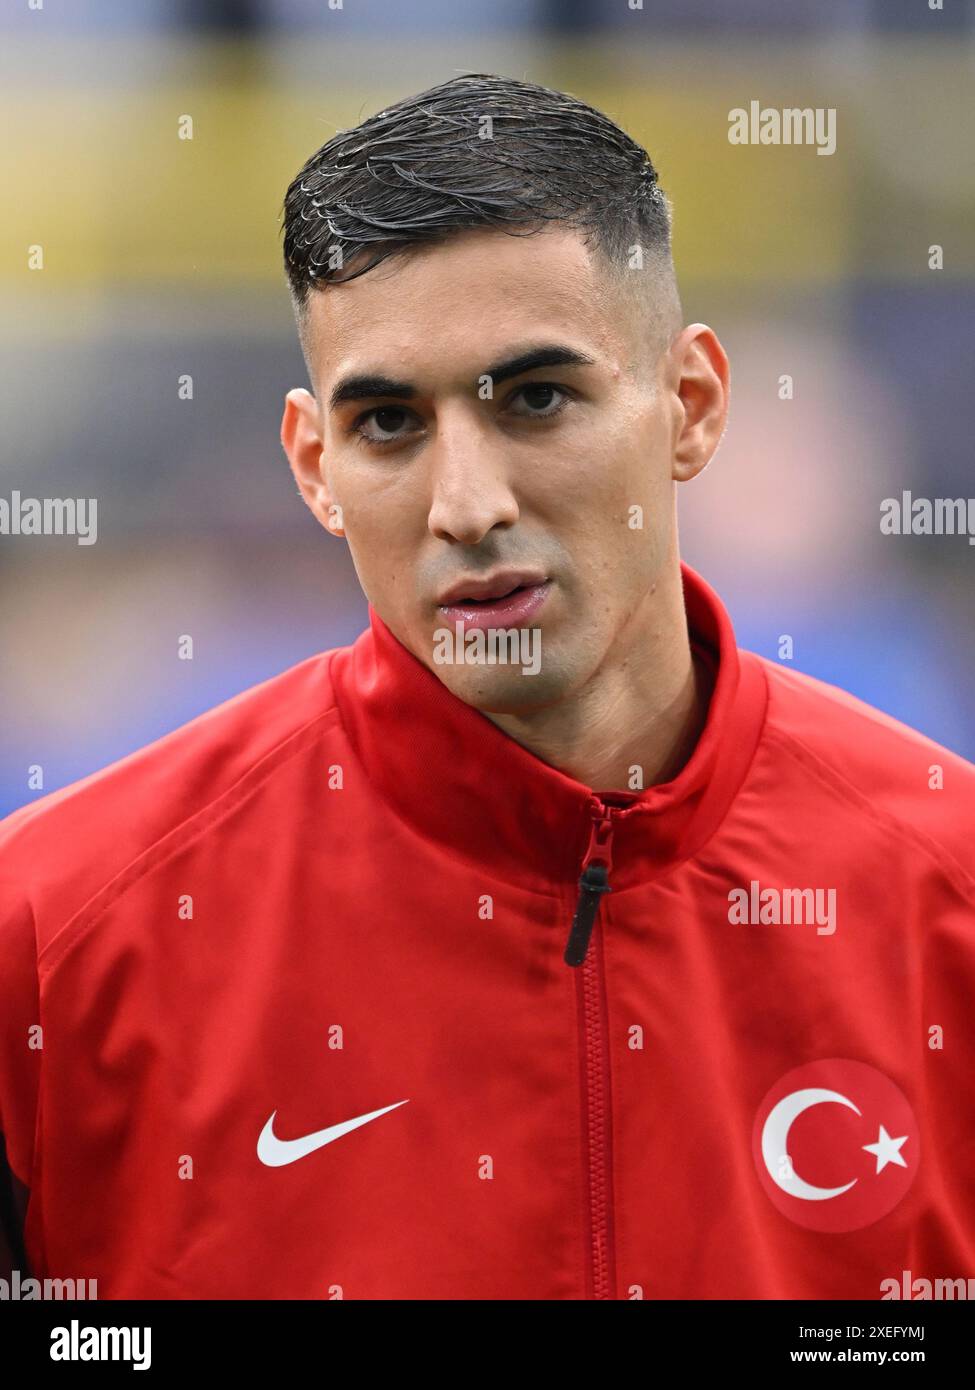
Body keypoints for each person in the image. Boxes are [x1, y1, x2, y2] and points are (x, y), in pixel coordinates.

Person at [1, 73, 973, 1301]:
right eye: (391, 425)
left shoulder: (948, 894)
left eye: (537, 399)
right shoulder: (47, 942)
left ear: (691, 406)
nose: (468, 505)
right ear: (313, 465)